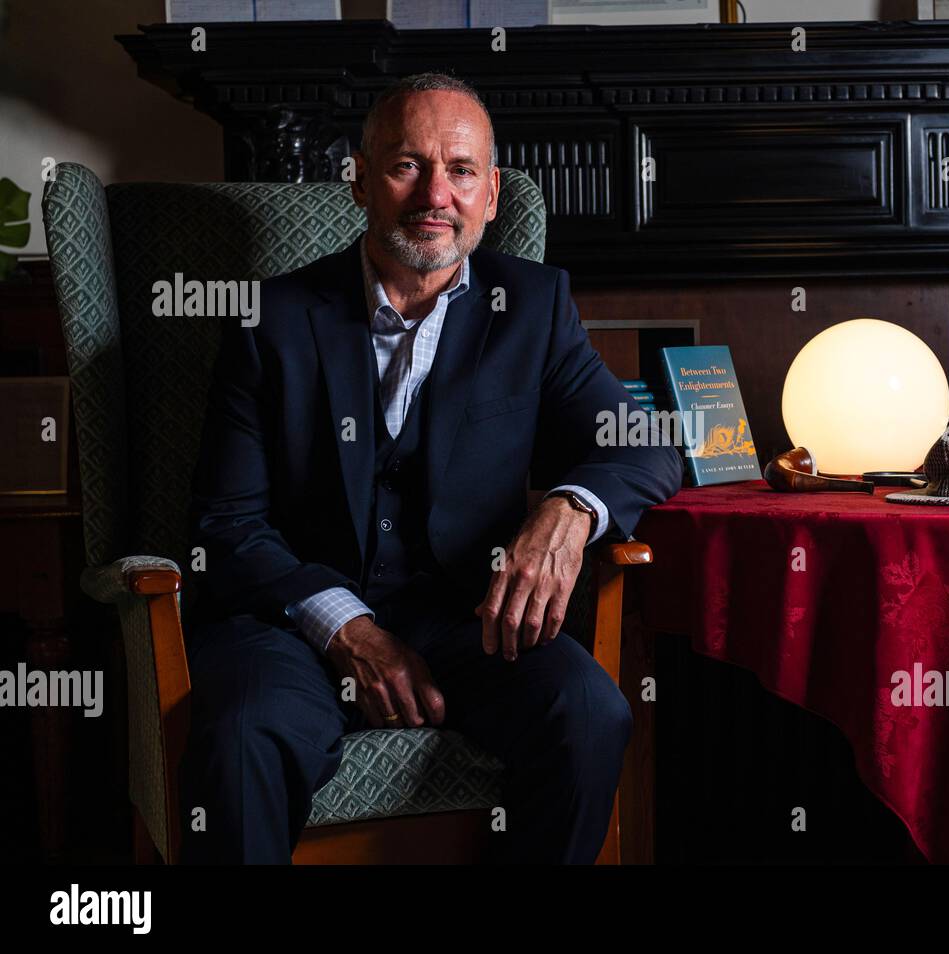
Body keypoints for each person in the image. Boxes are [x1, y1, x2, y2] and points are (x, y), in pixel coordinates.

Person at [177, 72, 683, 864]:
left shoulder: (535, 307)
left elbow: (645, 440)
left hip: (466, 618)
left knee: (591, 714)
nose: (434, 195)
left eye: (460, 170)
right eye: (407, 165)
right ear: (359, 181)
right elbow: (226, 522)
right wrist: (346, 625)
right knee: (242, 737)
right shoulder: (268, 319)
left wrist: (569, 509)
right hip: (290, 628)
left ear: (491, 192)